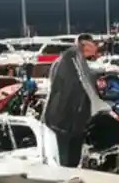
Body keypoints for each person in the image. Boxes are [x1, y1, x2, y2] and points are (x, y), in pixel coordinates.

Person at [41, 34, 114, 167]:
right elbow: (81, 85)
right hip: (63, 122)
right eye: (93, 45)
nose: (96, 49)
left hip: (73, 123)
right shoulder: (71, 59)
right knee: (65, 162)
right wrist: (101, 106)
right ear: (84, 45)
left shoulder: (76, 61)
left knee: (71, 160)